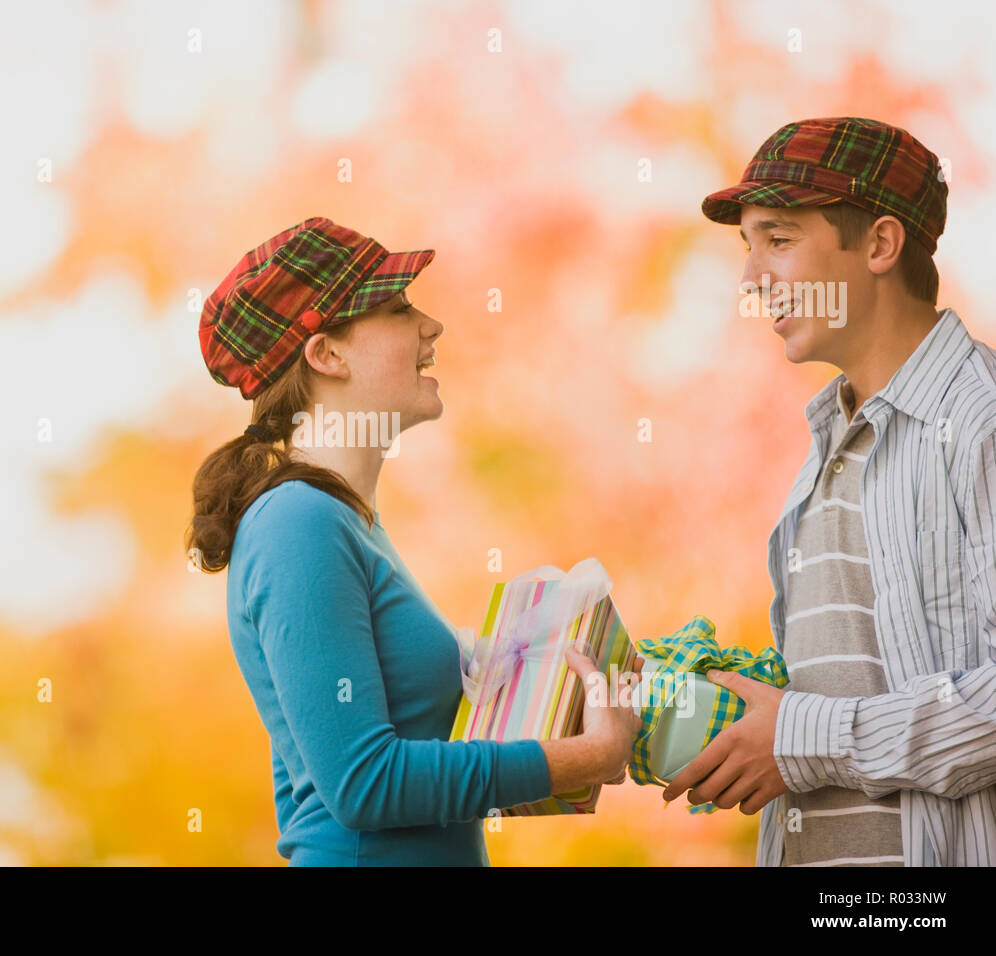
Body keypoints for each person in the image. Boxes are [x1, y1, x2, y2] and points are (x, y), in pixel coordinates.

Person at [186, 217, 643, 865]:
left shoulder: (347, 521)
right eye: (399, 308)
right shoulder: (297, 521)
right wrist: (587, 757)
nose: (432, 327)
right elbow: (364, 785)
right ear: (327, 354)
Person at [662, 117, 996, 866]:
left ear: (880, 245)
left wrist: (802, 737)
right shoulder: (825, 449)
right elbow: (842, 691)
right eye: (747, 246)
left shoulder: (980, 425)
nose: (751, 278)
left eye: (778, 240)